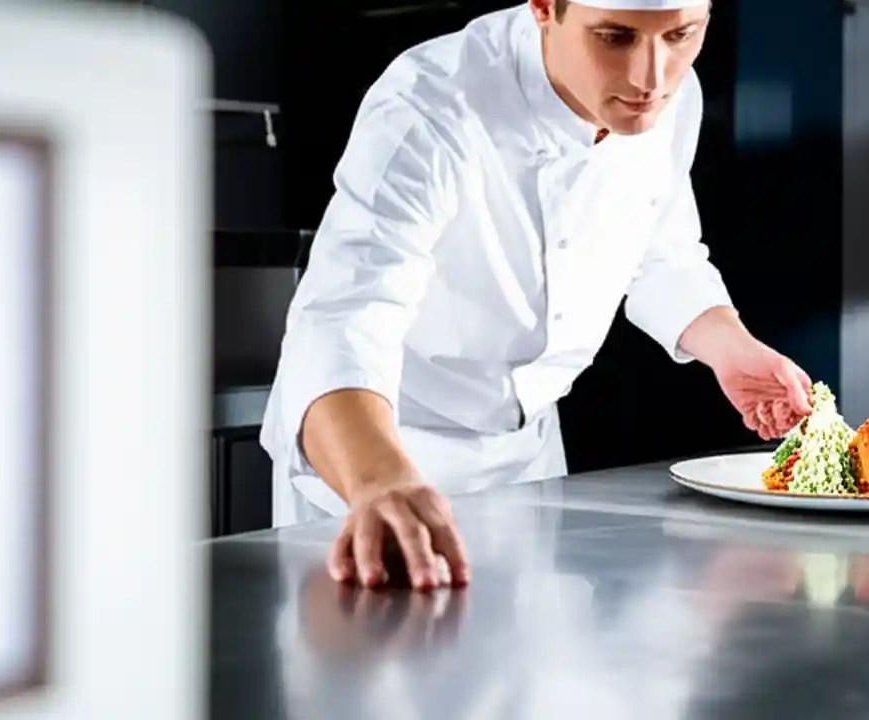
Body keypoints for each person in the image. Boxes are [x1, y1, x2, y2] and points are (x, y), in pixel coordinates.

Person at [260, 0, 813, 591]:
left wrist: (731, 348)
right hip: (380, 459)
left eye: (681, 34)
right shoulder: (433, 105)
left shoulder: (673, 97)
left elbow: (661, 251)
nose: (652, 77)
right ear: (545, 7)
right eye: (615, 37)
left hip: (531, 465)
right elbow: (345, 317)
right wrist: (377, 481)